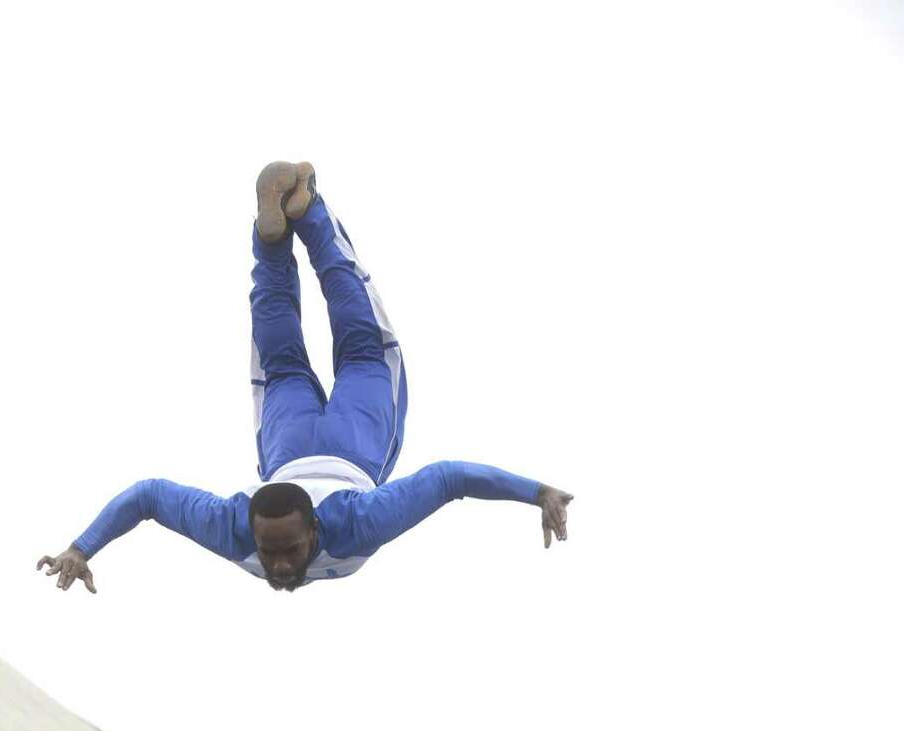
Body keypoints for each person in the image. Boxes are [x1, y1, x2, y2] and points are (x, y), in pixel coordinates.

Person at [37, 161, 572, 597]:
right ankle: (290, 227)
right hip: (313, 448)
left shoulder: (296, 524)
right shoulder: (308, 524)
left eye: (286, 549)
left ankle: (300, 216)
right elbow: (450, 478)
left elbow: (149, 496)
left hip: (322, 450)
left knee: (354, 351)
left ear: (315, 526)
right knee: (340, 351)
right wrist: (535, 491)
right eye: (272, 551)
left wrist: (84, 546)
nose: (278, 563)